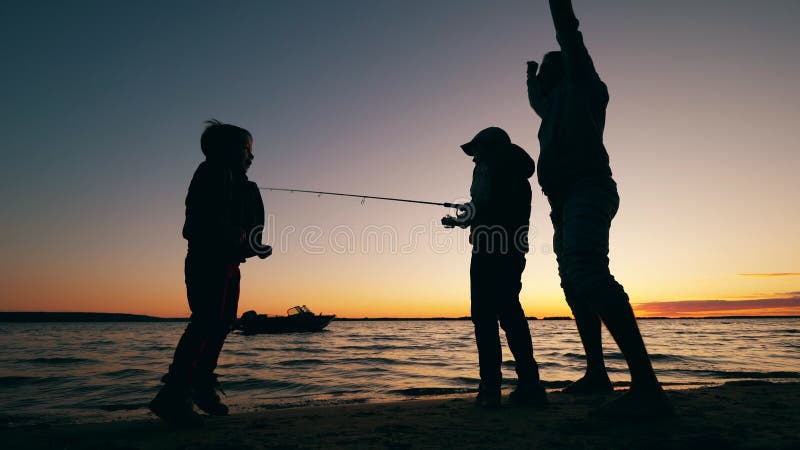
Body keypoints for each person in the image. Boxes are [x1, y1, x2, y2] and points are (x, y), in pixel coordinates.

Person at [526, 0, 672, 416]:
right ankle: (596, 373)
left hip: (590, 189)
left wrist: (557, 6)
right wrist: (531, 75)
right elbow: (536, 98)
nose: (549, 81)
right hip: (562, 202)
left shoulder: (585, 88)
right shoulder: (550, 107)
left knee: (588, 272)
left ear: (567, 71)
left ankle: (647, 387)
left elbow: (570, 39)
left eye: (554, 71)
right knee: (573, 285)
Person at [150, 120, 272, 426]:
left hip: (231, 265)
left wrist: (256, 247)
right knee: (207, 322)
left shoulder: (244, 186)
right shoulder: (209, 174)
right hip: (207, 260)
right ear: (225, 150)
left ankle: (201, 385)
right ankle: (175, 394)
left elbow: (249, 232)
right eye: (246, 149)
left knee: (222, 324)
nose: (251, 157)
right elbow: (192, 226)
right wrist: (229, 233)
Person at [442, 127, 547, 408]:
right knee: (510, 313)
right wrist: (462, 219)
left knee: (485, 318)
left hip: (490, 251)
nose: (473, 159)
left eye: (476, 151)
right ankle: (530, 384)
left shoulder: (492, 168)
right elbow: (487, 207)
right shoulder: (513, 172)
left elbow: (486, 207)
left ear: (489, 147)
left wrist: (467, 215)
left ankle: (491, 388)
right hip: (511, 250)